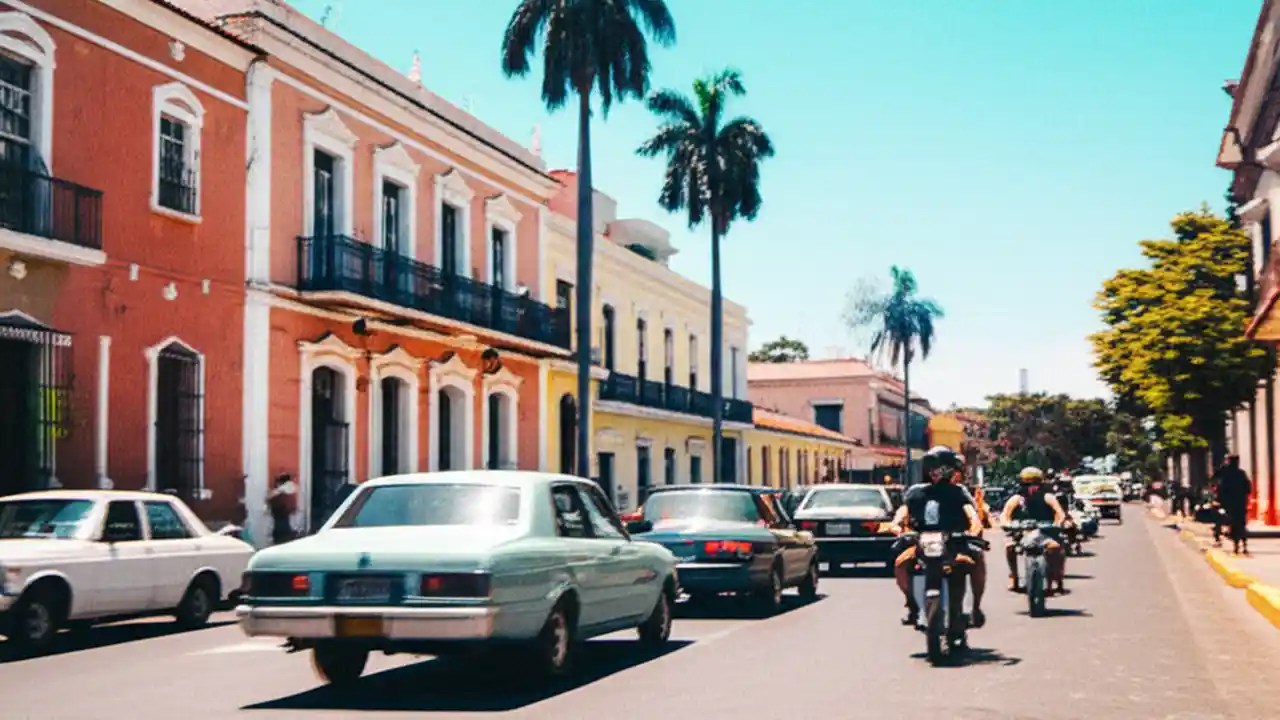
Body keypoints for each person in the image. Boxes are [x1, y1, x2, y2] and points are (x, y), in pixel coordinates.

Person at [890, 446, 986, 628]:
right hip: (922, 543)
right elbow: (902, 513)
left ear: (951, 470)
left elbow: (972, 515)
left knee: (977, 560)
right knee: (900, 564)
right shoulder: (915, 492)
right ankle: (912, 605)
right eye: (932, 467)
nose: (936, 472)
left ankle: (976, 607)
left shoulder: (958, 492)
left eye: (941, 468)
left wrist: (974, 530)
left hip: (954, 543)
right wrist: (896, 527)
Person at [1000, 467, 1067, 595]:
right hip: (1021, 533)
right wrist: (1006, 523)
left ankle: (1057, 579)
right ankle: (1013, 576)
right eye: (1027, 484)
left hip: (1045, 533)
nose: (1031, 488)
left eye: (1035, 483)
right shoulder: (1016, 499)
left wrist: (1058, 523)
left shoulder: (1048, 497)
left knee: (1056, 548)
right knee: (1009, 546)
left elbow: (1059, 513)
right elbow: (1005, 513)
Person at [1215, 455, 1252, 555]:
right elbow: (1248, 488)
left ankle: (1235, 545)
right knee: (1241, 524)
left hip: (1230, 504)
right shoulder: (1241, 473)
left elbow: (1220, 487)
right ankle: (1243, 546)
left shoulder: (1226, 474)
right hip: (1240, 503)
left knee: (1230, 523)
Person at [267, 473, 298, 545]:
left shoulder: (281, 491)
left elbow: (269, 497)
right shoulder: (293, 489)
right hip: (288, 523)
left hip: (281, 523)